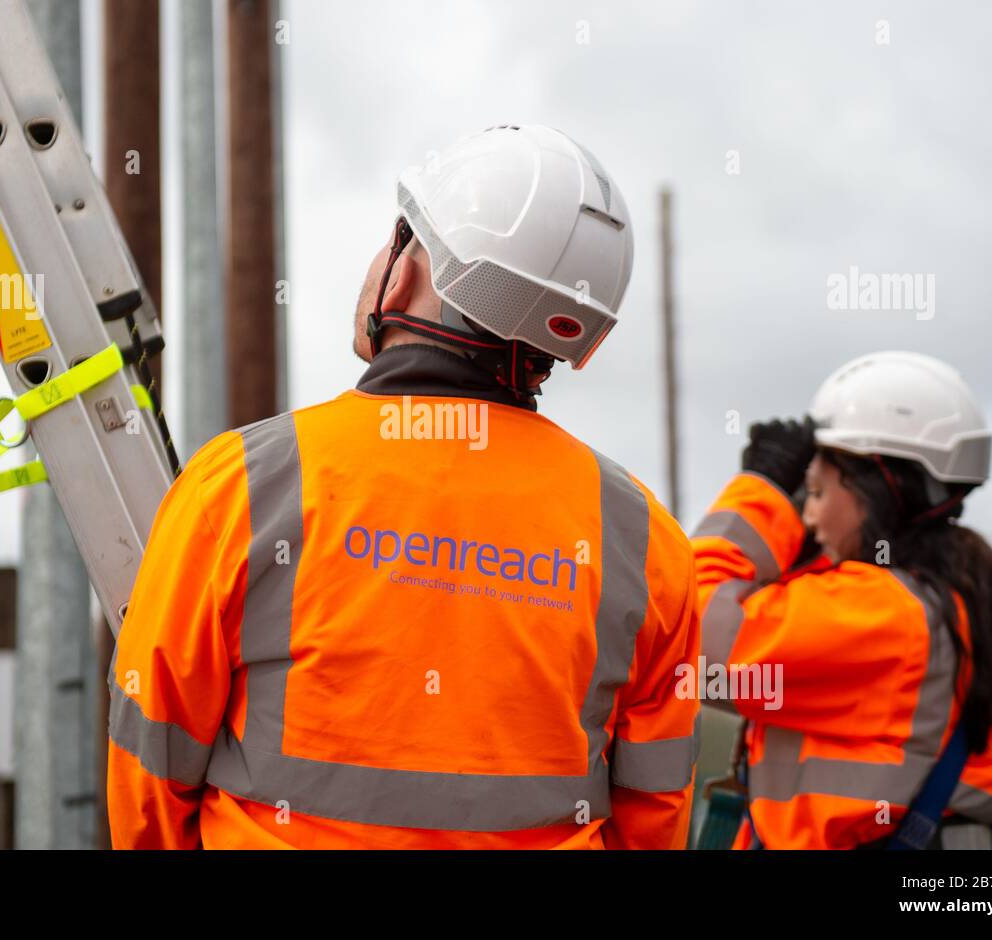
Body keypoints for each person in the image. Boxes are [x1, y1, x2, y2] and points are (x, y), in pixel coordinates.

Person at [107, 125, 701, 849]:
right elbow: (655, 812)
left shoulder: (242, 485)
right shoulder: (644, 541)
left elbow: (150, 774)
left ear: (412, 269)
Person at [692, 351, 992, 849]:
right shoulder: (947, 598)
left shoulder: (885, 614)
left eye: (815, 491)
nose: (807, 517)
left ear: (873, 488)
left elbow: (690, 634)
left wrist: (761, 494)